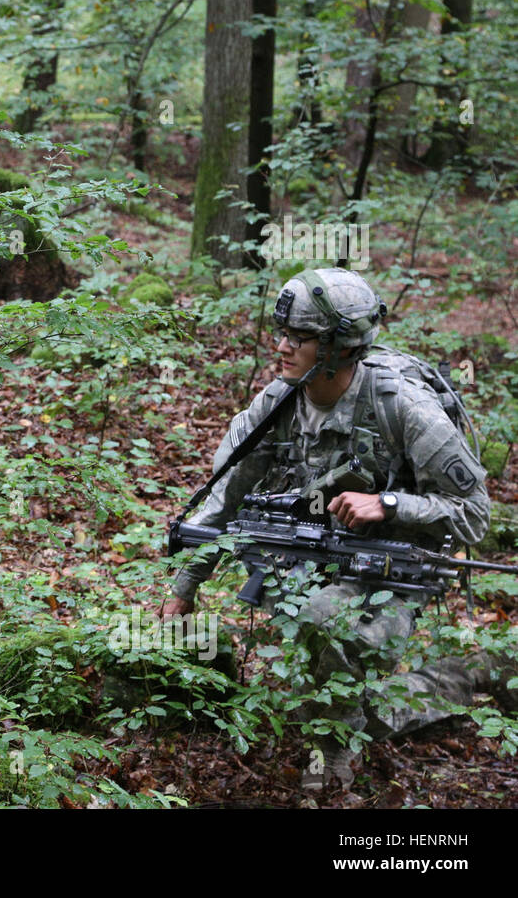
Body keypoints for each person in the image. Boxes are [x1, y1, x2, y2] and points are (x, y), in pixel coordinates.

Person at [163, 267, 510, 787]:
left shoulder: (404, 409)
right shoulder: (277, 403)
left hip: (395, 567)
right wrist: (185, 586)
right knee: (316, 682)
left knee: (327, 629)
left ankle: (349, 747)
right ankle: (395, 695)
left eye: (297, 338)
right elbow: (223, 501)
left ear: (336, 348)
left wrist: (390, 504)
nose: (281, 347)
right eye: (282, 333)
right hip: (314, 554)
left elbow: (475, 514)